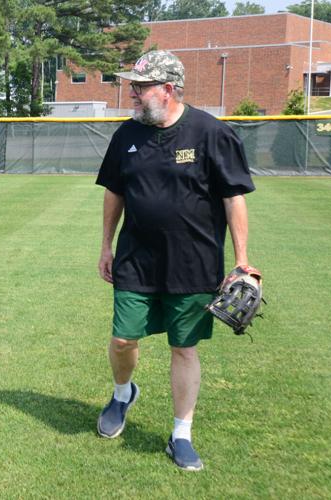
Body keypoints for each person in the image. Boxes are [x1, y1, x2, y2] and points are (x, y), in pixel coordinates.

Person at [95, 50, 255, 470]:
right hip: (136, 259)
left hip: (193, 264)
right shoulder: (127, 134)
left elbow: (233, 198)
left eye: (140, 86)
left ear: (168, 89)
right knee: (122, 339)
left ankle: (181, 434)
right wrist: (106, 245)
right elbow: (114, 191)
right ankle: (122, 394)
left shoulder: (211, 133)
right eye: (132, 85)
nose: (132, 93)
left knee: (184, 348)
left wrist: (242, 261)